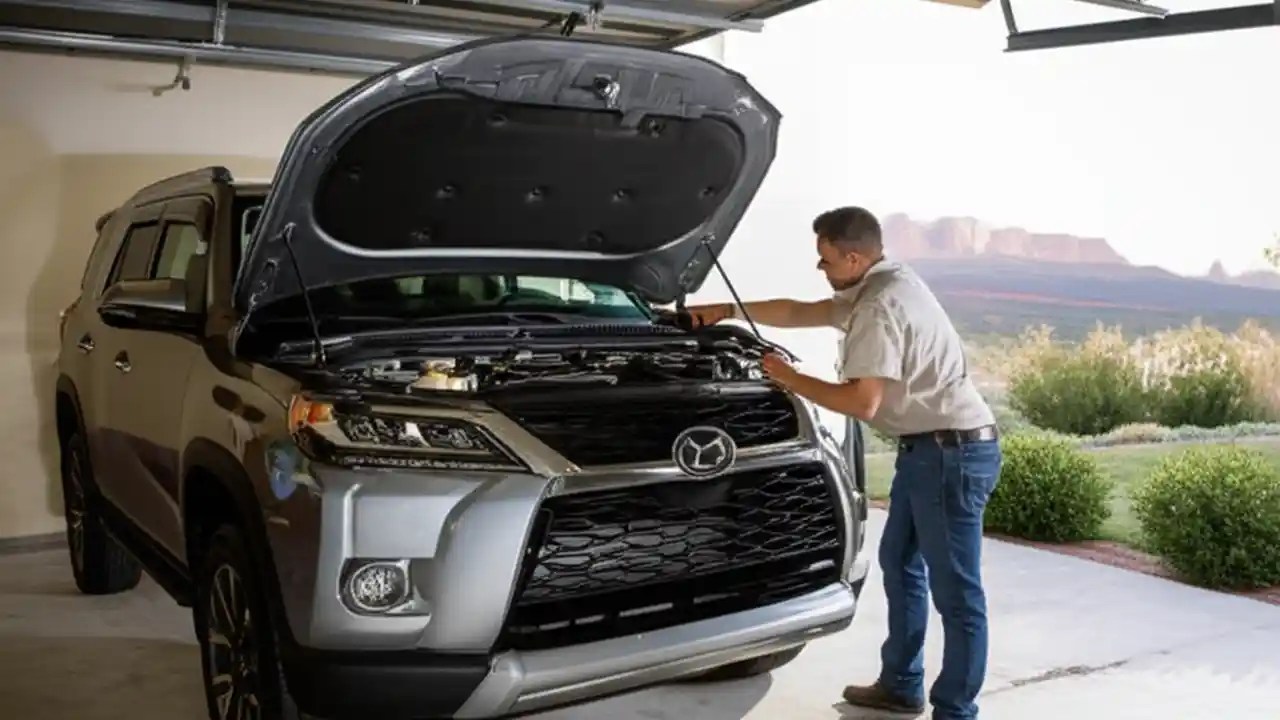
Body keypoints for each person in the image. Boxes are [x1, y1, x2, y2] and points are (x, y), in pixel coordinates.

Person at [686, 206, 1002, 720]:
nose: (821, 269)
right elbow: (800, 312)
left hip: (952, 455)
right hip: (931, 450)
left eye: (825, 259)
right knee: (900, 566)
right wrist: (725, 310)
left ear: (854, 257)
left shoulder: (878, 308)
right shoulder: (883, 282)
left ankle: (956, 711)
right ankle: (901, 684)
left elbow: (862, 403)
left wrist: (784, 376)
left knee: (958, 593)